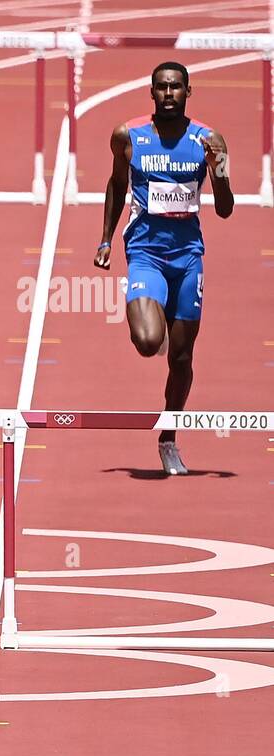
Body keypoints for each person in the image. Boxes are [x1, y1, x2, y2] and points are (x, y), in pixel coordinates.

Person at [94, 61, 232, 476]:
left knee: (183, 358)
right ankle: (148, 312)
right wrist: (104, 239)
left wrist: (218, 166)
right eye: (161, 87)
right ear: (152, 92)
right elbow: (116, 185)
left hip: (189, 256)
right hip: (145, 253)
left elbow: (224, 208)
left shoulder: (207, 139)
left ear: (188, 92)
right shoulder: (129, 135)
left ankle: (168, 436)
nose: (168, 93)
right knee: (148, 340)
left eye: (175, 87)